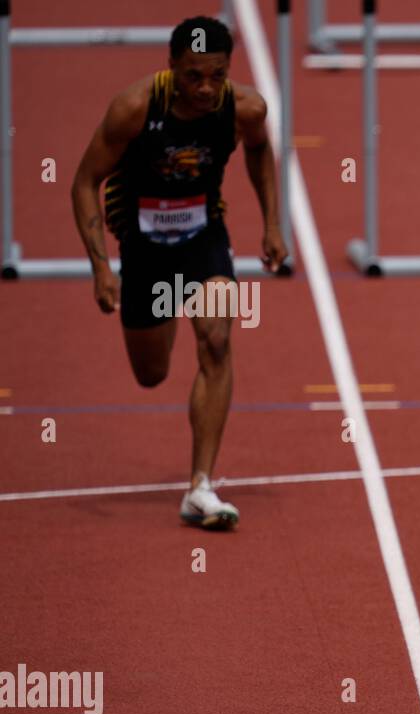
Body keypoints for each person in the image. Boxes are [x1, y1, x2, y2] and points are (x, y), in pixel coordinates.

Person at [71, 15, 286, 529]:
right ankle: (166, 309)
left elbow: (259, 153)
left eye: (216, 74)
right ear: (171, 68)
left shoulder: (246, 108)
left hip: (203, 235)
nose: (206, 87)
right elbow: (84, 183)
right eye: (194, 76)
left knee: (216, 339)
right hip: (143, 244)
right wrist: (101, 267)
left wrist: (272, 224)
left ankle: (200, 488)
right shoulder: (134, 108)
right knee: (152, 374)